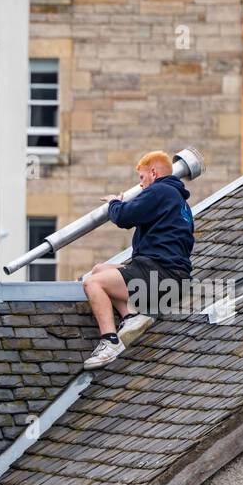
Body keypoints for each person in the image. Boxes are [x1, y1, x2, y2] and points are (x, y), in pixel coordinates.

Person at [81, 150, 195, 369]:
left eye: (142, 178)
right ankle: (131, 317)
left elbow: (124, 217)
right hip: (166, 274)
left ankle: (110, 342)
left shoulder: (160, 190)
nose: (141, 185)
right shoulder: (178, 200)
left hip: (160, 274)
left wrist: (115, 203)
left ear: (153, 173)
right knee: (99, 270)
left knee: (92, 283)